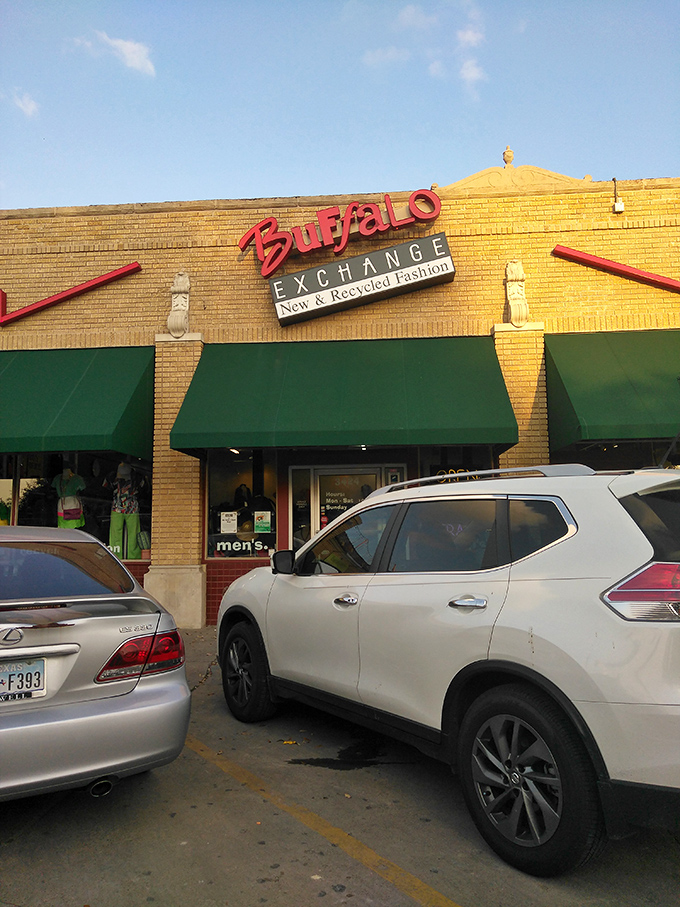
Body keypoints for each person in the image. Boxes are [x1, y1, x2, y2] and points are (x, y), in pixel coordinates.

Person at [104, 462, 145, 559]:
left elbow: (105, 488)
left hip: (126, 507)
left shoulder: (137, 477)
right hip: (123, 507)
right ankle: (118, 556)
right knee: (120, 533)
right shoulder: (112, 476)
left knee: (130, 533)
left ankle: (131, 557)